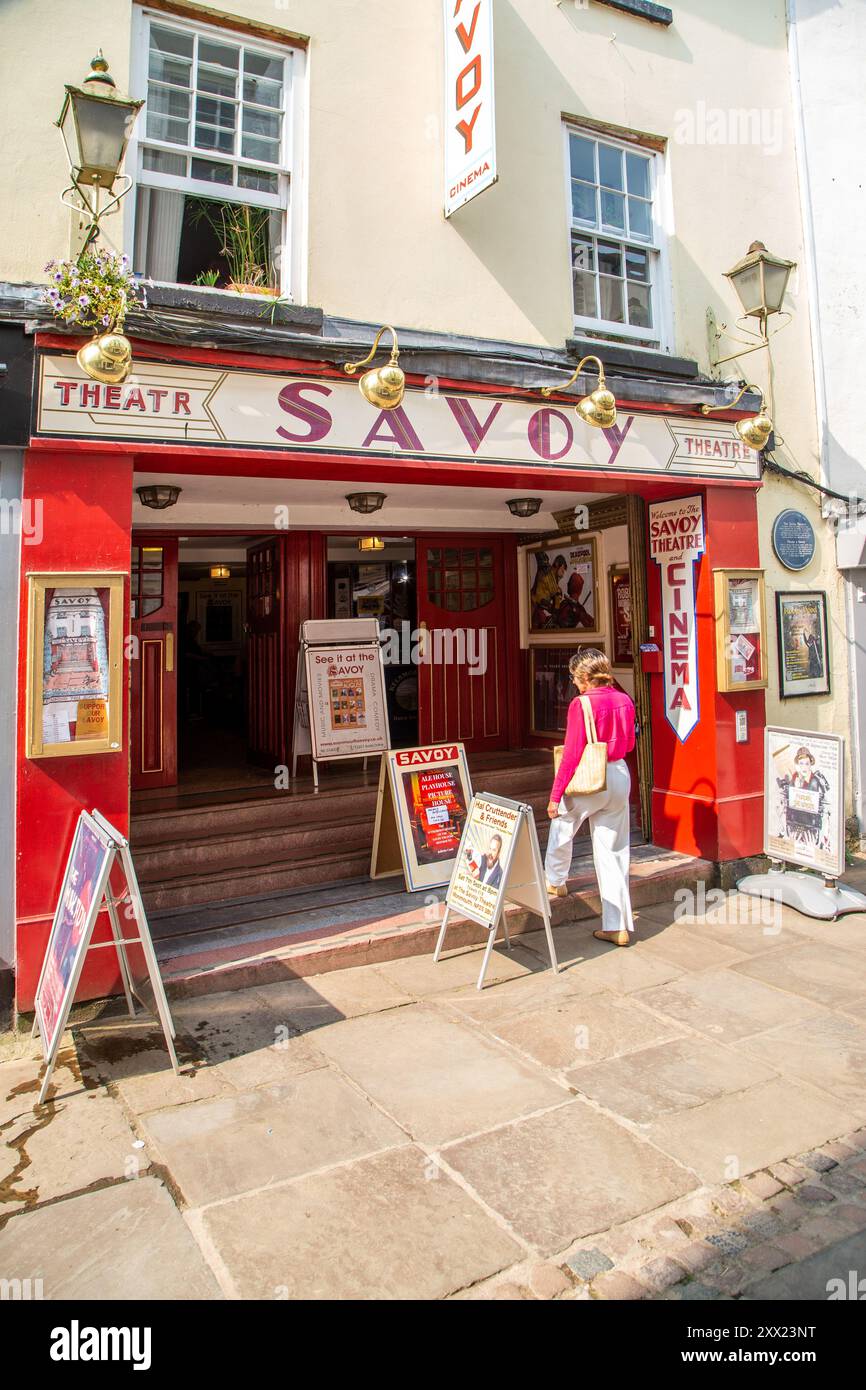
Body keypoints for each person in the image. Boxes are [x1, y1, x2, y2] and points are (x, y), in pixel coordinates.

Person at [545, 648, 636, 946]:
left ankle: (555, 881)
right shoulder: (624, 699)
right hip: (620, 774)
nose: (574, 683)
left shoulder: (580, 704)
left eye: (574, 677)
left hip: (590, 776)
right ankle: (618, 925)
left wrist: (555, 796)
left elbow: (572, 754)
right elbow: (631, 741)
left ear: (584, 676)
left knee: (562, 824)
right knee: (614, 852)